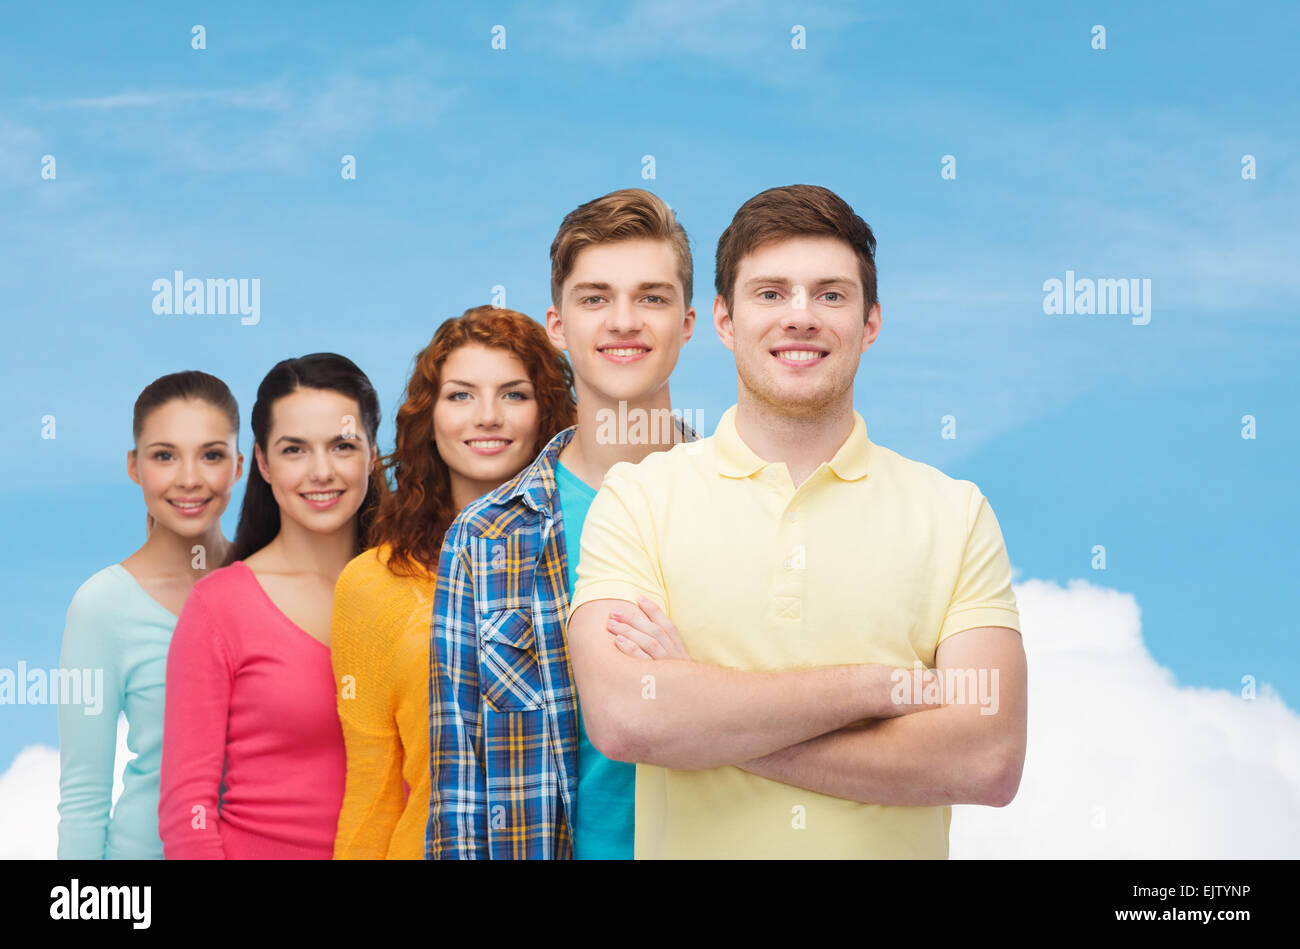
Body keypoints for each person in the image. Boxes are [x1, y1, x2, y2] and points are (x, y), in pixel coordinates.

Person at [567, 184, 1028, 858]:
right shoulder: (637, 499)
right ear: (724, 320)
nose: (801, 316)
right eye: (771, 293)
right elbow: (629, 716)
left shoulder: (956, 514)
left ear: (870, 323)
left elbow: (988, 757)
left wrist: (705, 722)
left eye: (831, 294)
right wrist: (876, 688)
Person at [427, 189, 698, 859]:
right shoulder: (483, 538)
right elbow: (459, 793)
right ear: (556, 324)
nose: (624, 321)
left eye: (653, 298)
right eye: (596, 297)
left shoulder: (755, 507)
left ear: (690, 322)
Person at [331, 306, 574, 859]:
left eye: (514, 394)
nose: (487, 416)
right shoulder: (371, 584)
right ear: (428, 417)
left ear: (546, 413)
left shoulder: (590, 549)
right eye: (460, 395)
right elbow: (373, 789)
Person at [158, 353, 385, 859]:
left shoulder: (416, 592)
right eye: (295, 449)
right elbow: (186, 809)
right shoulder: (219, 608)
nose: (321, 471)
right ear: (262, 462)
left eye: (342, 445)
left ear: (372, 454)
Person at [57, 371, 243, 859]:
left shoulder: (269, 583)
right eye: (164, 455)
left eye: (211, 455)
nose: (189, 479)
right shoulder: (100, 607)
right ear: (133, 466)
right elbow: (83, 797)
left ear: (241, 465)